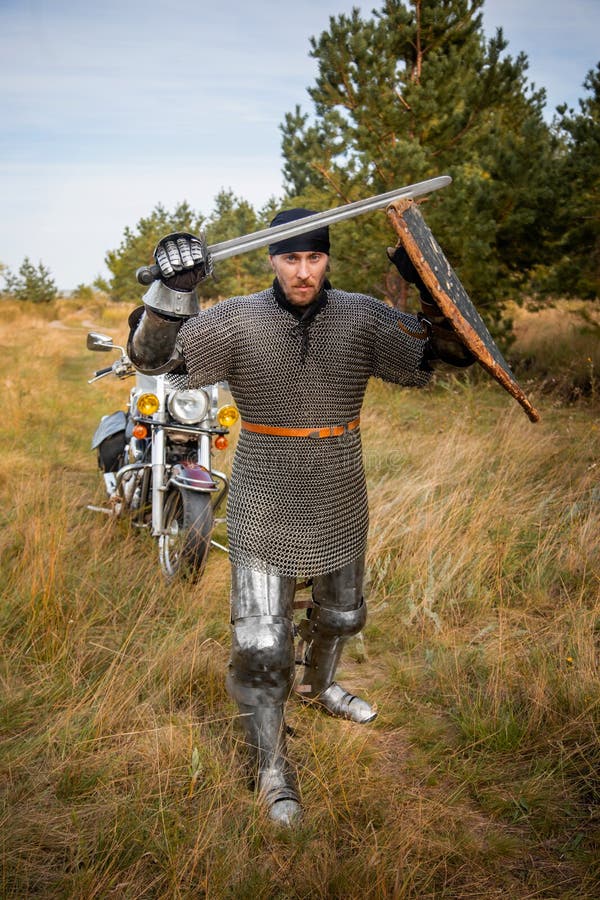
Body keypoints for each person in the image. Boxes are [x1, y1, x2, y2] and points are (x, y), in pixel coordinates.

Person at [127, 208, 473, 826]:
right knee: (261, 645)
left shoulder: (361, 316)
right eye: (291, 258)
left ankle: (320, 687)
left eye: (314, 258)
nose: (303, 271)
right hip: (267, 493)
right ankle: (271, 766)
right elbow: (155, 359)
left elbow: (441, 358)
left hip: (339, 487)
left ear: (328, 259)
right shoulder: (238, 319)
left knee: (343, 614)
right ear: (272, 259)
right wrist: (171, 293)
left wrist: (429, 285)